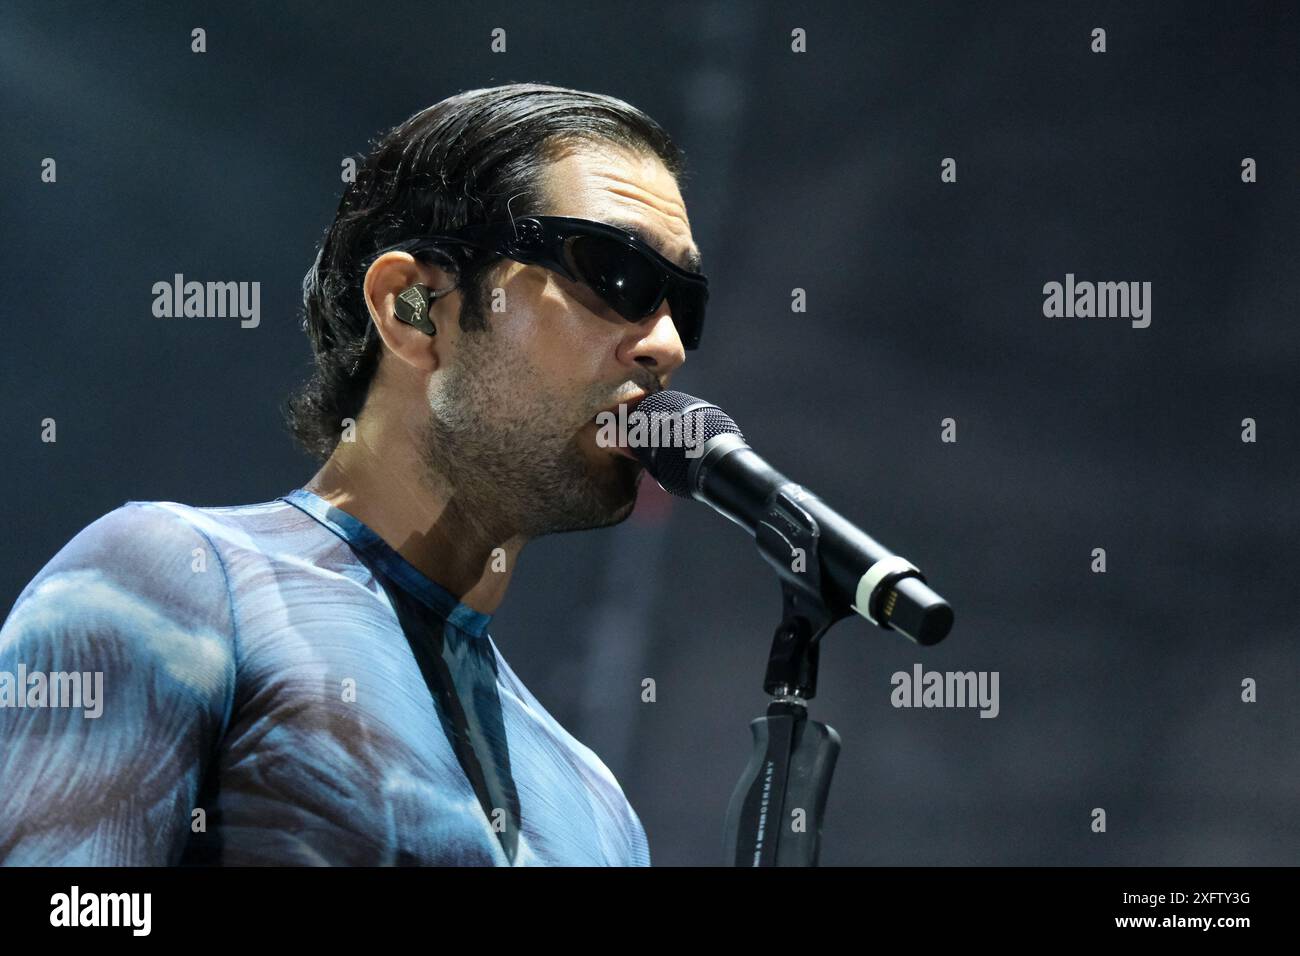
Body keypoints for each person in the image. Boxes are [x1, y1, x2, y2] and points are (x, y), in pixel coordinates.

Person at [0, 82, 708, 866]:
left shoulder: (601, 812)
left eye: (685, 302)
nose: (667, 345)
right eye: (614, 272)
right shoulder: (175, 581)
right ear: (412, 307)